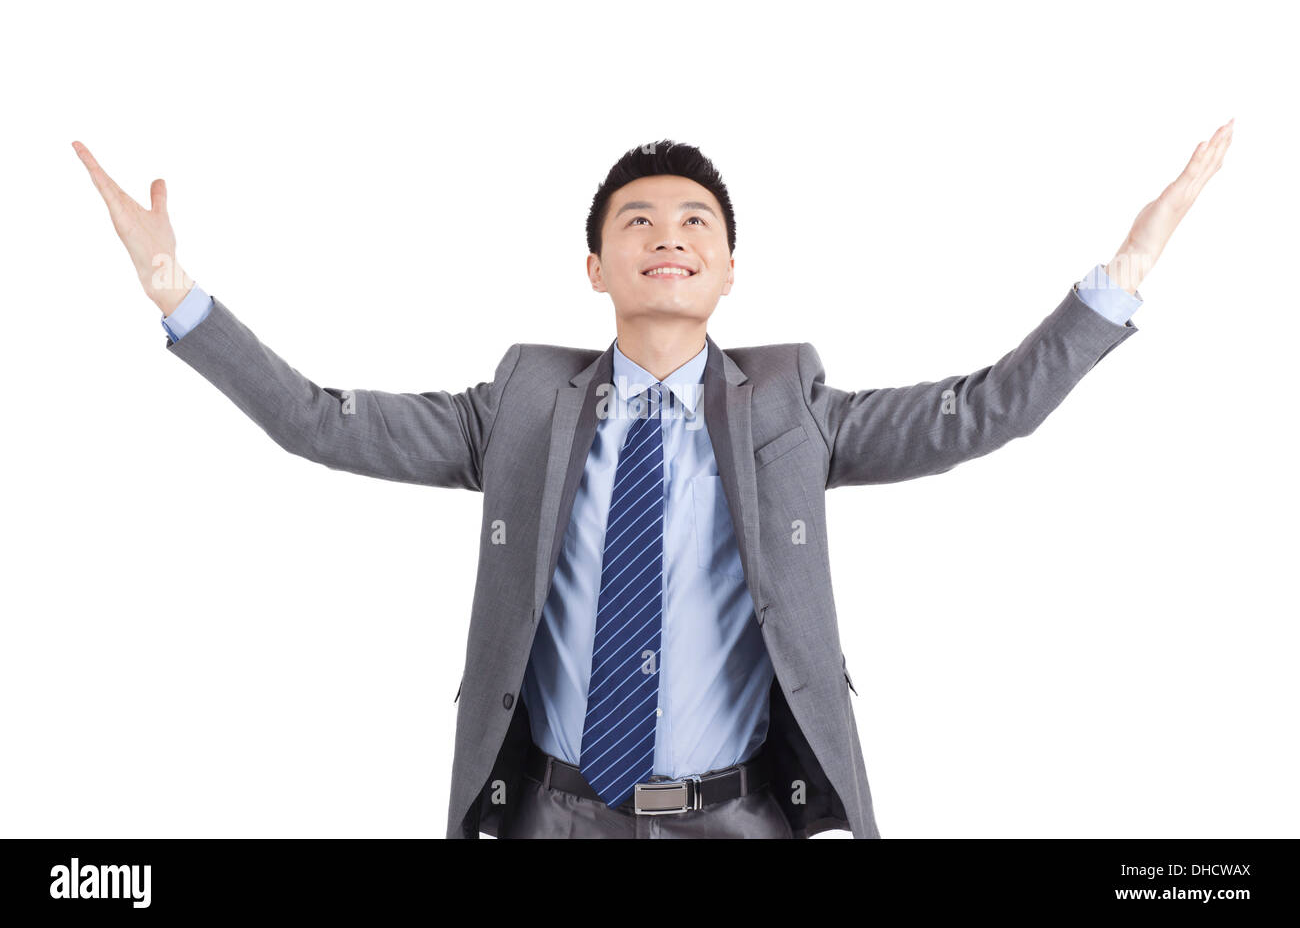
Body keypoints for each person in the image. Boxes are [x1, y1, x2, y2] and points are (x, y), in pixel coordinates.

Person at [73, 126, 1233, 838]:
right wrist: (177, 290)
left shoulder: (792, 406)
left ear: (729, 268)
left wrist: (1125, 269)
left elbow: (985, 409)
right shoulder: (522, 404)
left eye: (693, 221)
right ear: (594, 265)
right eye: (635, 219)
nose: (664, 234)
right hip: (552, 813)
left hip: (741, 813)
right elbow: (320, 424)